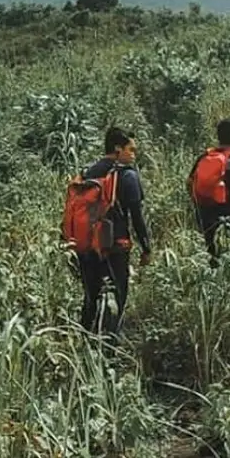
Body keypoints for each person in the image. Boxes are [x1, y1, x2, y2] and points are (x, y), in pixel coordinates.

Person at [73, 127, 152, 340]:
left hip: (86, 245)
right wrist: (146, 249)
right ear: (118, 149)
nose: (134, 154)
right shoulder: (127, 176)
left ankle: (83, 341)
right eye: (131, 150)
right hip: (114, 246)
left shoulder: (87, 172)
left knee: (90, 297)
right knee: (118, 296)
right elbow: (137, 217)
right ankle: (112, 349)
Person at [187, 117, 230, 268]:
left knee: (208, 257)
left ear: (218, 136)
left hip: (203, 216)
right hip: (228, 217)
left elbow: (189, 182)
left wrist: (198, 202)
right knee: (229, 259)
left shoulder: (204, 157)